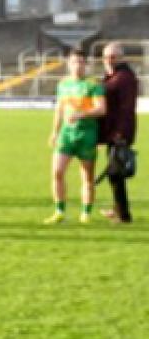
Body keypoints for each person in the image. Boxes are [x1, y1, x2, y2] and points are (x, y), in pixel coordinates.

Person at [44, 48, 106, 224]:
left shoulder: (93, 85)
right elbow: (59, 109)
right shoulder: (63, 84)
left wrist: (81, 114)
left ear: (85, 64)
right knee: (57, 172)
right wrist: (55, 132)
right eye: (74, 62)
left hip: (87, 135)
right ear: (68, 65)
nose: (77, 65)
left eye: (80, 62)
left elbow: (101, 109)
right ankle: (59, 211)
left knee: (87, 177)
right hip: (66, 135)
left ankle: (86, 213)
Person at [98, 42, 139, 224]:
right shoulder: (114, 76)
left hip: (119, 133)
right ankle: (119, 210)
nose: (109, 60)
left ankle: (123, 215)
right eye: (106, 57)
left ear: (121, 57)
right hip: (113, 132)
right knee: (116, 173)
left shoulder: (124, 78)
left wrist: (120, 133)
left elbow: (125, 108)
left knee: (115, 173)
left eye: (113, 56)